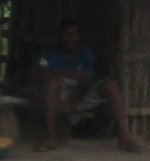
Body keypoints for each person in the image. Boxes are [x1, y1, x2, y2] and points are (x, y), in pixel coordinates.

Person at [37, 18, 142, 152]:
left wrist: (71, 101)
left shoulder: (86, 54)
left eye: (73, 34)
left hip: (81, 96)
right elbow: (40, 75)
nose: (69, 38)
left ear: (79, 36)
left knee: (111, 85)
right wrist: (69, 73)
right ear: (59, 36)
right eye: (65, 34)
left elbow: (87, 84)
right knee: (51, 85)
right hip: (57, 98)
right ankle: (51, 139)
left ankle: (124, 138)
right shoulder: (50, 52)